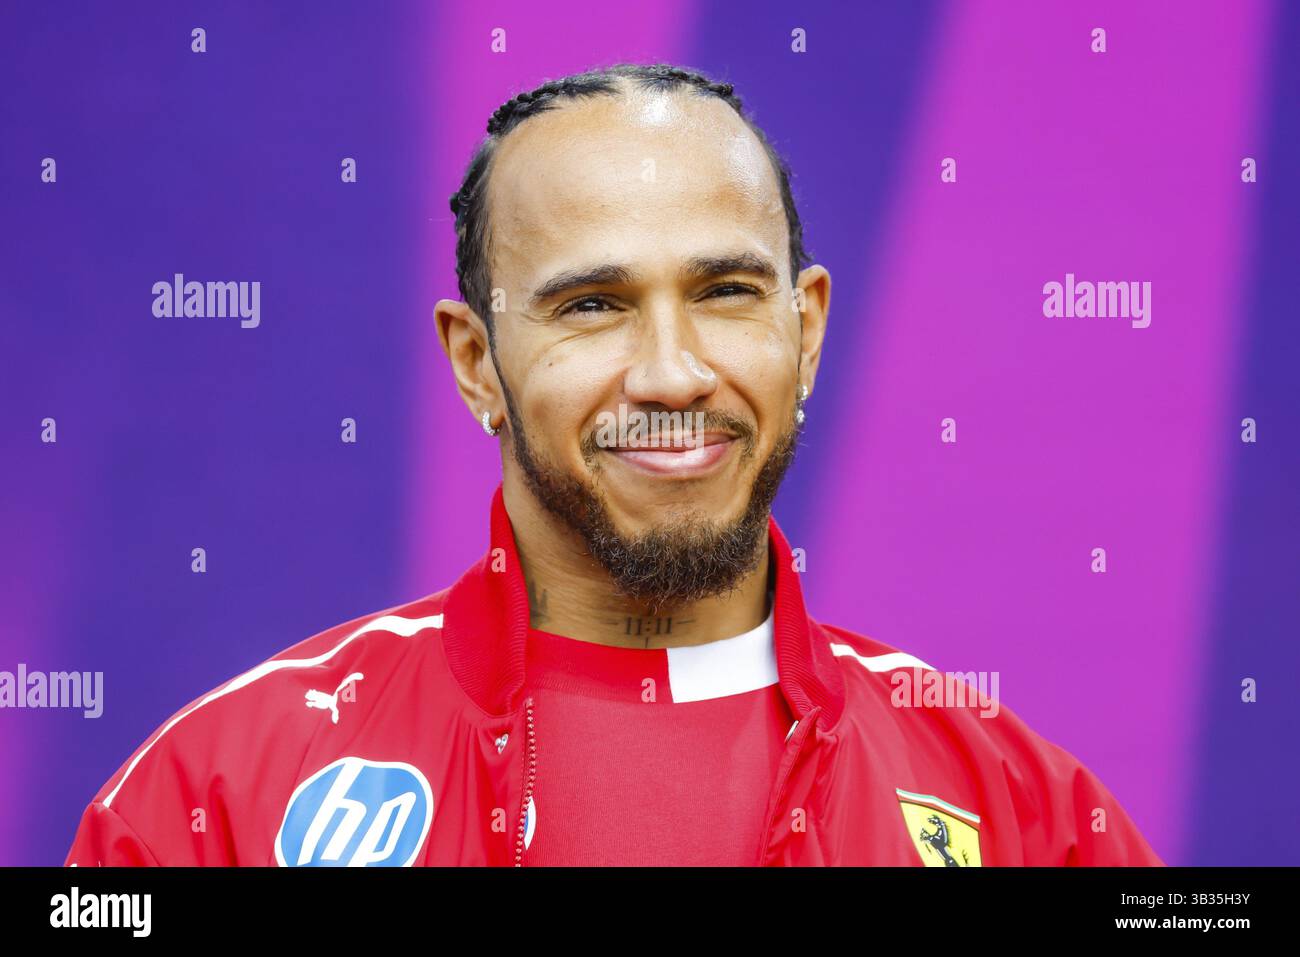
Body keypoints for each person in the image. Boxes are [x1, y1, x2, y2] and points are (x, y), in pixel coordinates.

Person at [66, 63, 1162, 866]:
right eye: (592, 307)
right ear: (475, 361)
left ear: (808, 330)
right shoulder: (219, 795)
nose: (673, 374)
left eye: (727, 293)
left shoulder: (1023, 810)